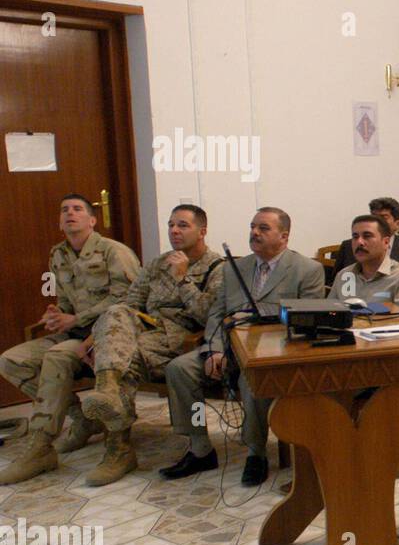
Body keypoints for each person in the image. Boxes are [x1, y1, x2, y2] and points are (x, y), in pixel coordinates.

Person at [161, 208, 325, 486]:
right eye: (252, 227)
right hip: (229, 346)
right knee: (180, 368)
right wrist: (213, 349)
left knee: (252, 380)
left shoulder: (307, 270)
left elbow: (308, 321)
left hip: (271, 353)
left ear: (284, 237)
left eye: (263, 228)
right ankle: (200, 447)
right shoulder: (234, 268)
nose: (254, 233)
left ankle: (256, 453)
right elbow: (217, 312)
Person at [74, 205, 223, 486]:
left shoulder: (217, 267)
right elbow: (129, 304)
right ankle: (109, 398)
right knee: (117, 329)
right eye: (170, 225)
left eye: (182, 225)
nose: (174, 231)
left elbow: (208, 315)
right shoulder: (157, 264)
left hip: (180, 339)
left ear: (202, 231)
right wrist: (96, 339)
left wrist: (182, 279)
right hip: (142, 333)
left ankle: (118, 450)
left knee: (120, 361)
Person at [0, 194, 141, 484]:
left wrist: (78, 319)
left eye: (77, 209)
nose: (70, 214)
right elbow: (64, 300)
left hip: (107, 334)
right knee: (10, 361)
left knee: (57, 358)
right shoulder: (58, 255)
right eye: (64, 210)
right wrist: (56, 313)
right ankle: (84, 417)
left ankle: (40, 446)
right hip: (72, 332)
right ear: (59, 221)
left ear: (92, 220)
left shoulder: (114, 252)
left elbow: (129, 300)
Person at [329, 215, 399, 319]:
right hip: (345, 334)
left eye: (367, 236)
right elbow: (328, 314)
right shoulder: (344, 275)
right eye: (355, 237)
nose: (359, 242)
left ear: (386, 242)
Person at [334, 197, 399, 287]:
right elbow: (334, 284)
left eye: (383, 217)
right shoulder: (349, 246)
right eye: (373, 217)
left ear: (397, 224)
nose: (377, 222)